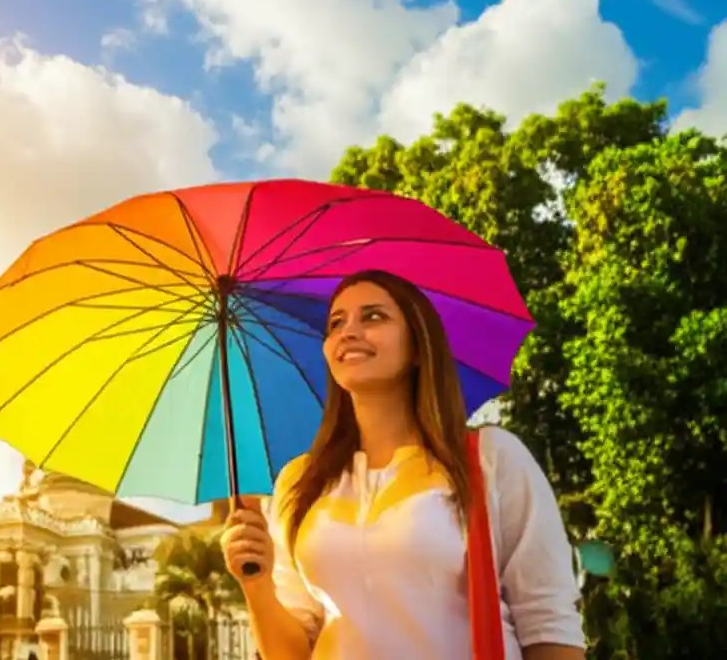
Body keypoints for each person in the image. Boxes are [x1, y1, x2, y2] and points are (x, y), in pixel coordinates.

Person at [219, 269, 586, 660]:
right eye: (336, 323)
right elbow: (290, 654)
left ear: (417, 346)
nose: (349, 332)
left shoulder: (490, 458)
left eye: (373, 316)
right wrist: (255, 587)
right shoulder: (298, 482)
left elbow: (548, 623)